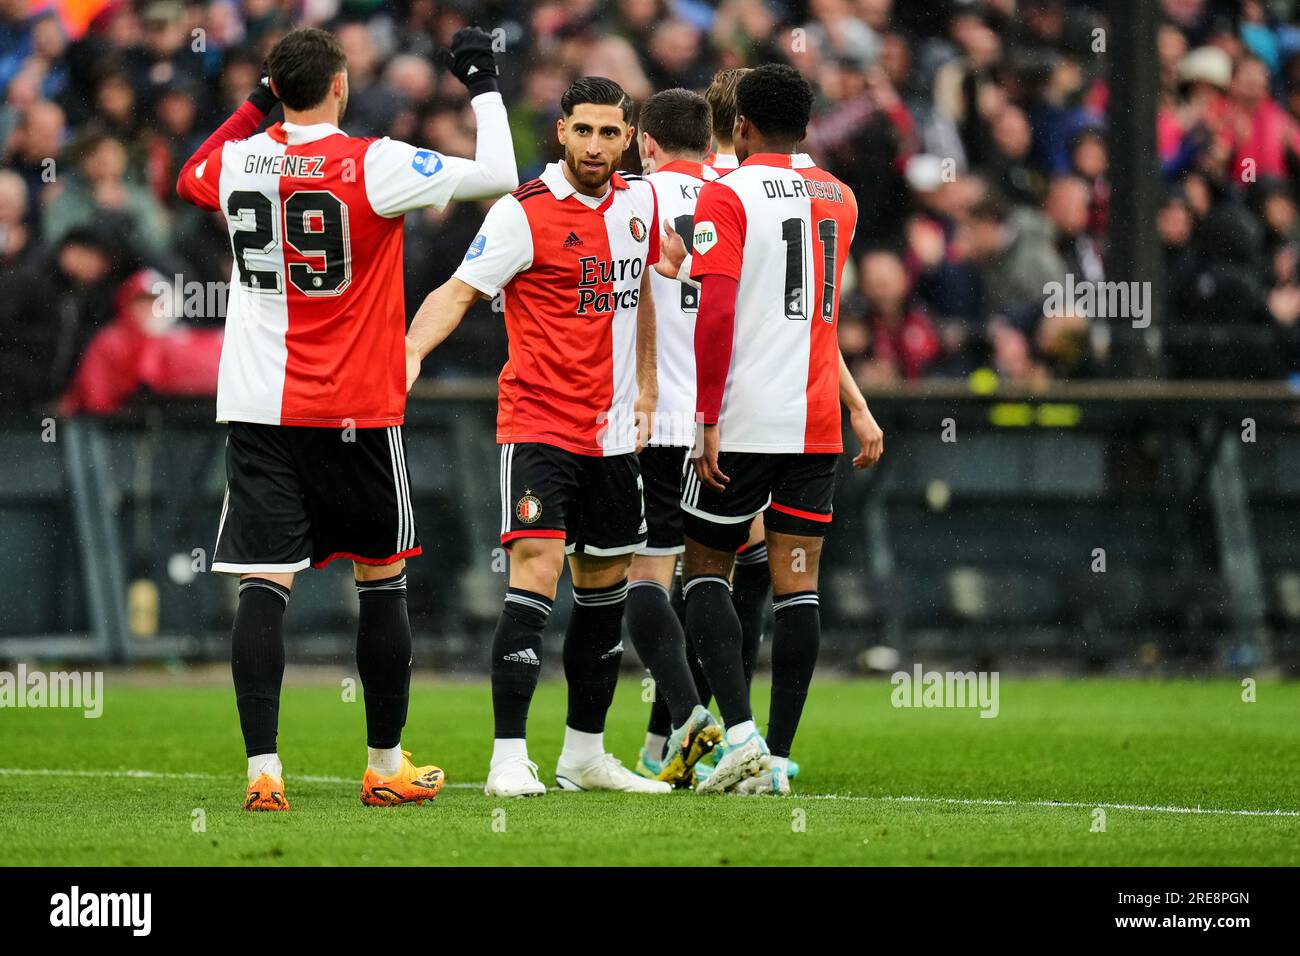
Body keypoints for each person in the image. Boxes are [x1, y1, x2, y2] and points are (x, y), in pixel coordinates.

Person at [174, 26, 517, 811]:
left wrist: (257, 104)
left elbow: (191, 167)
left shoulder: (237, 159)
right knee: (382, 578)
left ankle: (264, 771)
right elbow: (500, 172)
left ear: (274, 89)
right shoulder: (375, 160)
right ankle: (384, 764)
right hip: (355, 408)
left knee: (265, 583)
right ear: (340, 86)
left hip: (261, 406)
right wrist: (484, 84)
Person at [405, 76, 694, 798]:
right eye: (582, 130)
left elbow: (650, 288)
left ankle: (584, 757)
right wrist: (408, 354)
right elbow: (457, 291)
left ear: (630, 139)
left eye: (609, 132)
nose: (595, 144)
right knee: (534, 580)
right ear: (560, 132)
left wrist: (652, 384)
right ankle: (508, 757)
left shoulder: (643, 202)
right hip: (539, 425)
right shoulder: (520, 214)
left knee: (603, 598)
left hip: (615, 436)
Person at [684, 64, 884, 795]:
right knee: (799, 587)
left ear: (738, 126)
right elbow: (819, 315)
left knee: (706, 571)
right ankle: (778, 754)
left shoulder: (725, 194)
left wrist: (705, 415)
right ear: (806, 125)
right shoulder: (842, 198)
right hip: (813, 422)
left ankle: (738, 738)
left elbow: (716, 311)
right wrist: (856, 405)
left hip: (742, 417)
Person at [623, 87, 726, 787]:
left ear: (644, 143)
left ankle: (686, 718)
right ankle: (665, 744)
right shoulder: (734, 198)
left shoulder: (634, 202)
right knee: (715, 580)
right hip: (729, 419)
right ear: (713, 143)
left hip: (652, 417)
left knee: (642, 577)